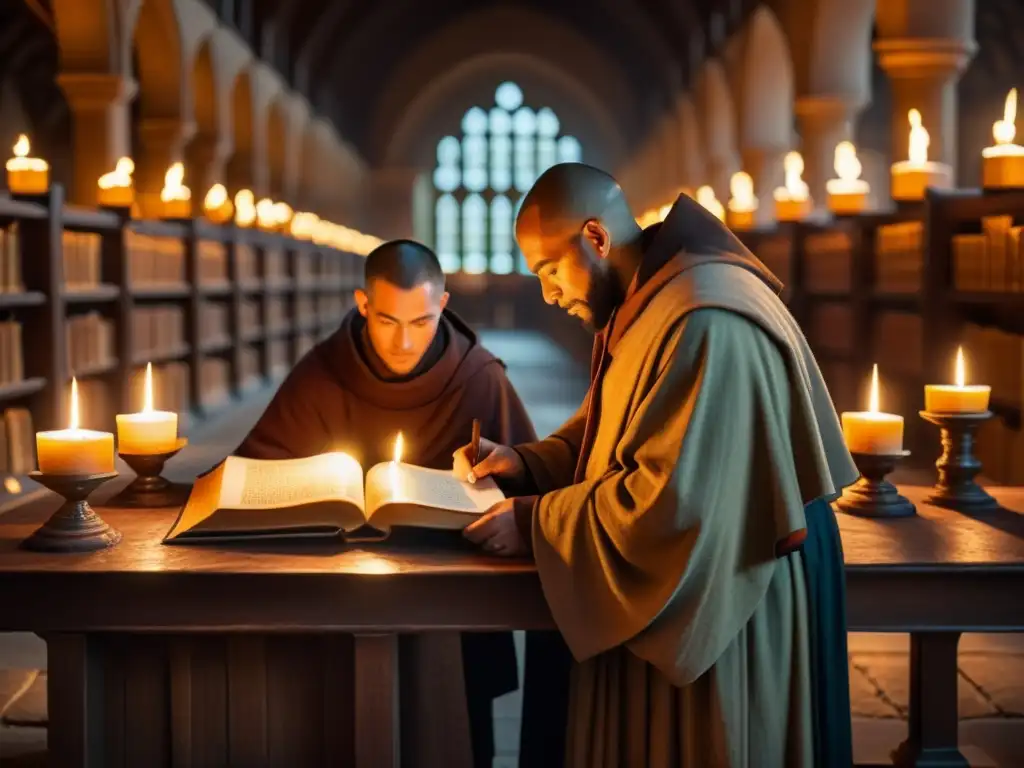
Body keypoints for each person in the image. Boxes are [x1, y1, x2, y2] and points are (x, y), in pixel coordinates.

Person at [453, 163, 858, 767]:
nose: (548, 294)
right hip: (701, 569)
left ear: (595, 239)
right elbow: (610, 432)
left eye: (551, 270)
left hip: (729, 593)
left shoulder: (703, 316)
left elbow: (674, 502)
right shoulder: (651, 296)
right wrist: (525, 465)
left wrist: (535, 522)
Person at [237, 239, 536, 768]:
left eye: (420, 322)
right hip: (339, 592)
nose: (403, 342)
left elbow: (527, 480)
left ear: (443, 305)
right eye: (388, 321)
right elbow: (254, 474)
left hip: (454, 602)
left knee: (462, 740)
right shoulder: (323, 373)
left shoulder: (480, 376)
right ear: (363, 304)